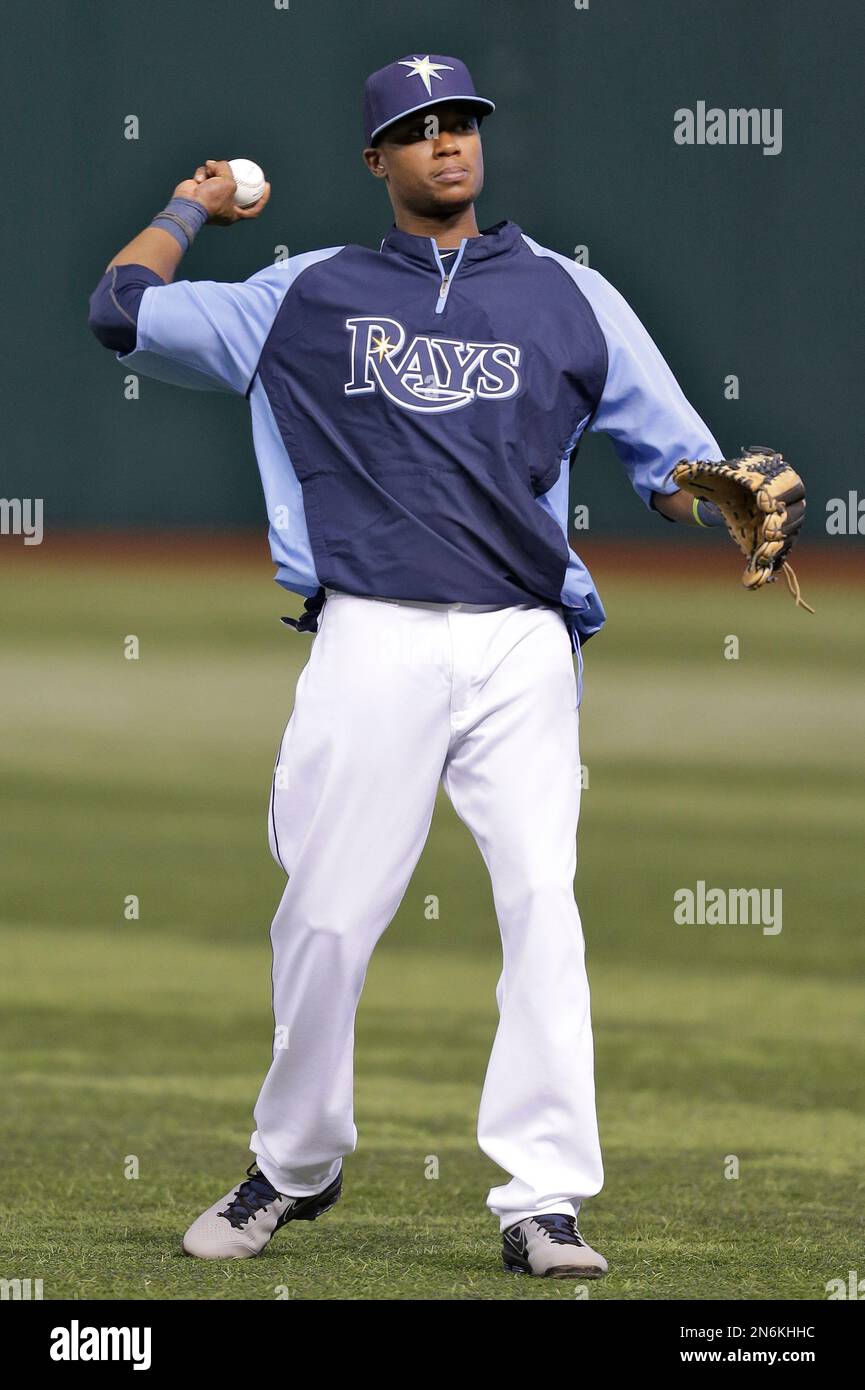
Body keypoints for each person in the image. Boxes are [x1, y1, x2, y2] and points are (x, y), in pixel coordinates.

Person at [88, 52, 728, 1281]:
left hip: (521, 639)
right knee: (325, 915)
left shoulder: (570, 297)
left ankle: (542, 1197)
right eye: (417, 129)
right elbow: (121, 309)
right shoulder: (302, 292)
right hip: (367, 631)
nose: (447, 143)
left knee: (544, 905)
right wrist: (190, 207)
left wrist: (730, 495)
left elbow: (677, 466)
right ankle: (294, 1164)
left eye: (462, 123)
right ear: (376, 159)